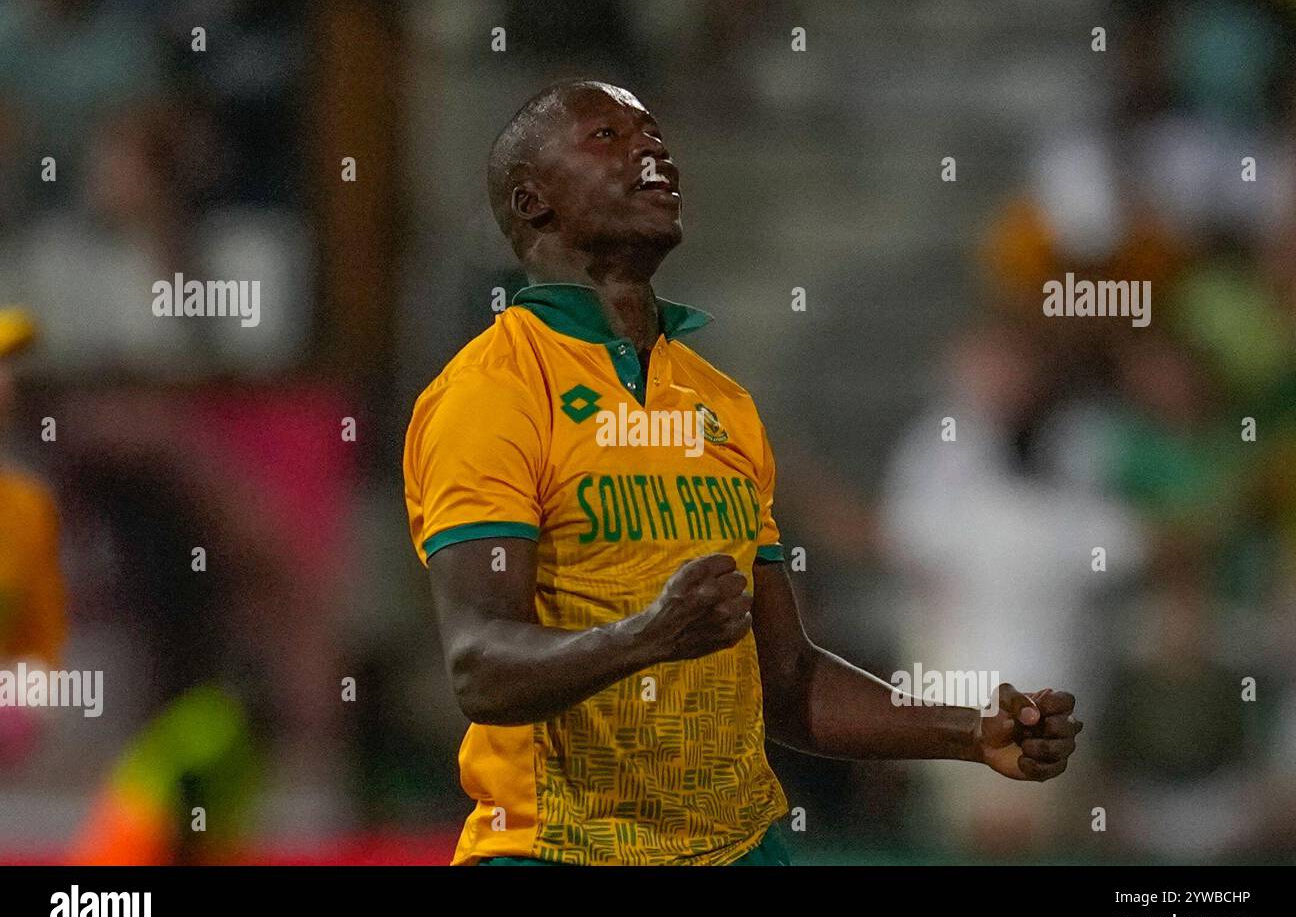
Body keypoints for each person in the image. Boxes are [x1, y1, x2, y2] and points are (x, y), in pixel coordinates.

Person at [402, 80, 1083, 865]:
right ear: (532, 201)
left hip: (740, 850)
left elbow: (785, 679)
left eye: (655, 132)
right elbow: (480, 665)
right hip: (557, 850)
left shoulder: (721, 404)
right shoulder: (490, 396)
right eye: (607, 136)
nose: (652, 149)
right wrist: (645, 638)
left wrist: (971, 732)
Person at [0, 306, 68, 765]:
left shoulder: (29, 508)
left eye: (7, 367)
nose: (6, 382)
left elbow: (39, 652)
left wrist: (25, 702)